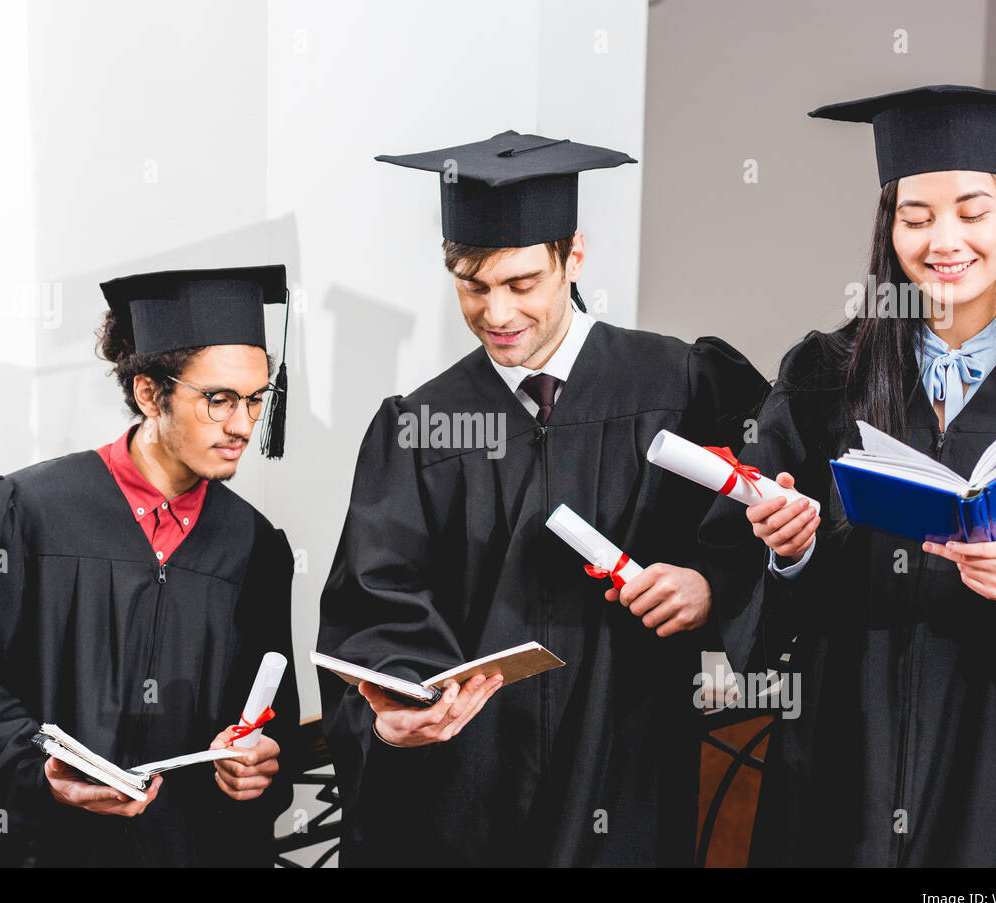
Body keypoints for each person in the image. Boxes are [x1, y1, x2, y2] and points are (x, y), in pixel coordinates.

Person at [317, 130, 771, 865]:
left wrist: (709, 583)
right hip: (466, 797)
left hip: (626, 764)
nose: (496, 313)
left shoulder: (679, 384)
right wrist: (401, 703)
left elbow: (771, 504)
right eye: (472, 284)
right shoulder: (420, 426)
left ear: (574, 257)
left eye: (522, 283)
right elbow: (374, 599)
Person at [700, 86, 996, 866]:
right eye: (915, 217)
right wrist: (789, 548)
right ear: (889, 227)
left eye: (972, 211)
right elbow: (741, 567)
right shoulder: (824, 374)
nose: (944, 239)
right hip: (844, 760)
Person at [0, 266, 300, 866]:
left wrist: (252, 762)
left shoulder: (252, 545)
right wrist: (41, 774)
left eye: (255, 399)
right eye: (218, 399)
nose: (242, 425)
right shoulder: (27, 512)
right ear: (150, 393)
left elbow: (269, 715)